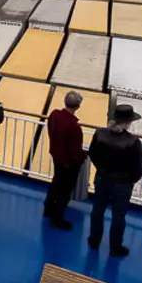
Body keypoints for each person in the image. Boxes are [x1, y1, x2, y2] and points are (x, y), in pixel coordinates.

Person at [87, 104, 142, 257]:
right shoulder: (133, 142)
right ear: (127, 123)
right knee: (118, 216)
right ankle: (115, 247)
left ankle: (94, 240)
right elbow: (138, 169)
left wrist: (101, 170)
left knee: (97, 211)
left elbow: (92, 154)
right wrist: (129, 181)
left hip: (102, 179)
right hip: (122, 185)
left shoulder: (99, 134)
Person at [44, 91, 87, 230]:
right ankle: (57, 219)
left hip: (56, 155)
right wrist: (81, 158)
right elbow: (75, 151)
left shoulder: (54, 114)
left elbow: (51, 131)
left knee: (56, 181)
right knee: (65, 190)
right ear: (78, 106)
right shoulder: (74, 127)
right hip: (68, 163)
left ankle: (48, 208)